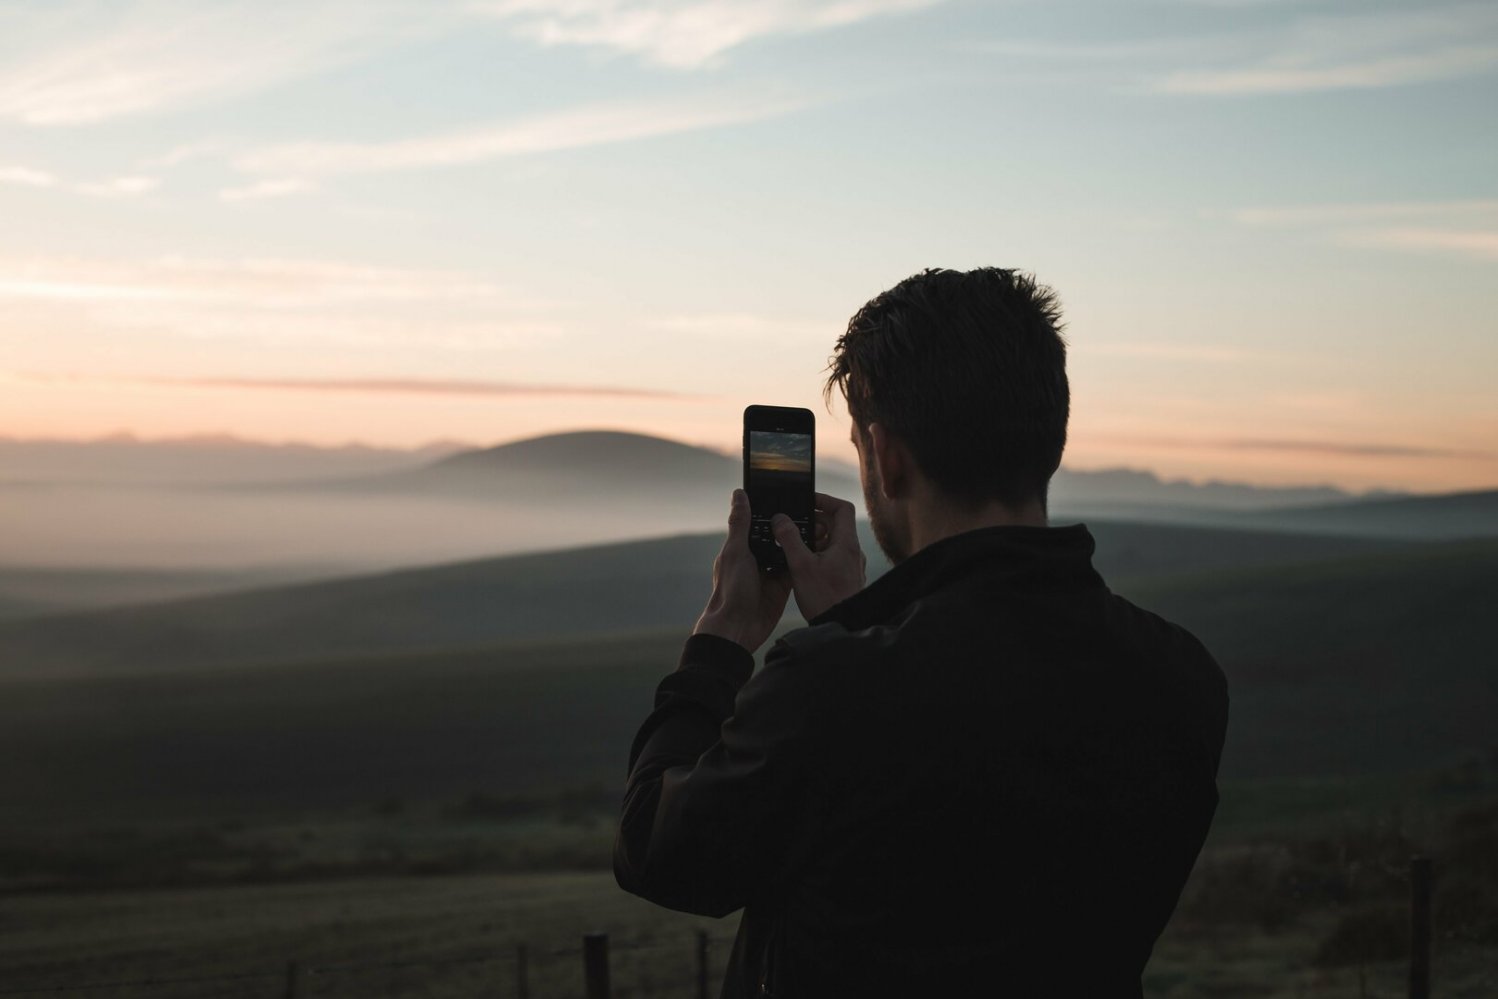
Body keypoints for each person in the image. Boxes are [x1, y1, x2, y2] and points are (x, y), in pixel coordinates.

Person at [614, 267, 1229, 998]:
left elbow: (656, 849)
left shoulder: (831, 691)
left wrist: (720, 641)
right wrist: (856, 625)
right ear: (1049, 442)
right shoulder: (1181, 676)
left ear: (886, 457)